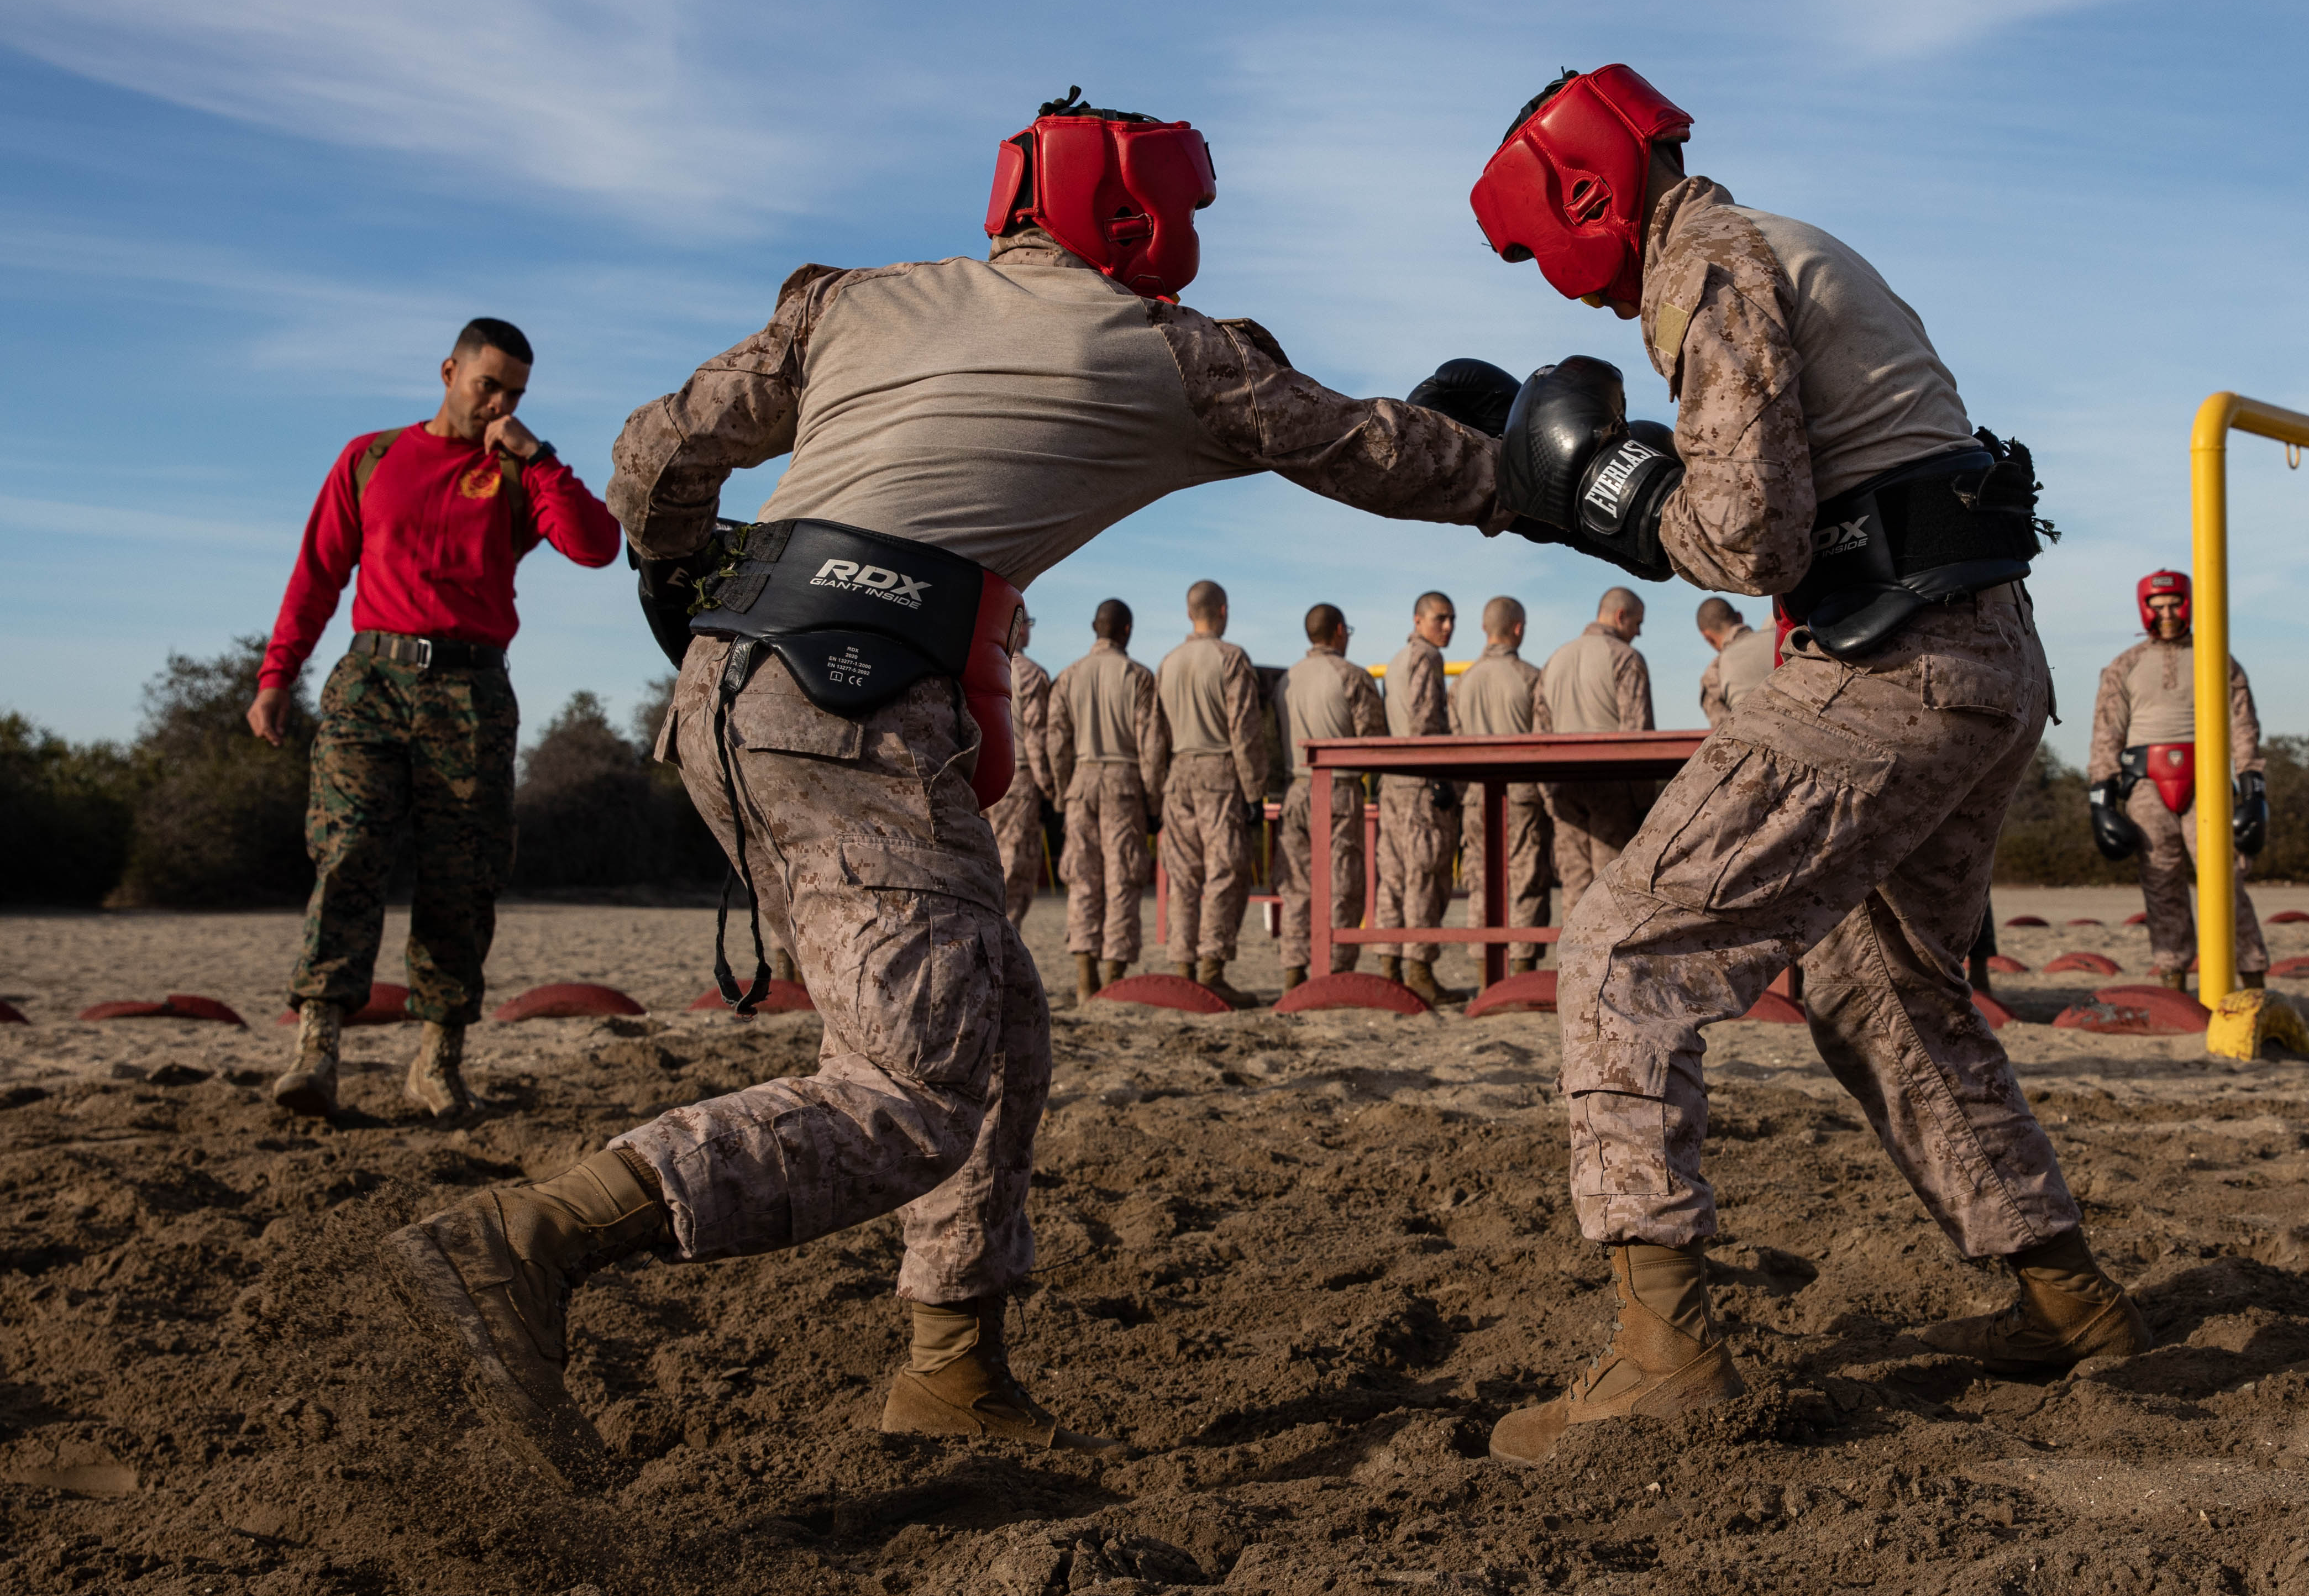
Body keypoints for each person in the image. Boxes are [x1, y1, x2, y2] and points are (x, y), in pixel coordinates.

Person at [380, 88, 1506, 1480]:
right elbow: (1376, 455)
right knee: (913, 1089)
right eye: (1187, 206)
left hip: (736, 696)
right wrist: (1536, 472)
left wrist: (685, 569)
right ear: (1136, 205)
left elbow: (652, 453)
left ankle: (952, 1371)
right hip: (857, 712)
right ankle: (532, 1240)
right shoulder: (1175, 350)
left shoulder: (853, 302)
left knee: (1002, 1020)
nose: (1195, 232)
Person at [1418, 62, 2140, 1464]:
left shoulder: (1707, 260)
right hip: (1987, 658)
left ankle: (1664, 1350)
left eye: (1540, 240)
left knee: (1621, 953)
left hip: (1887, 665)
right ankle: (2068, 1299)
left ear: (1579, 192)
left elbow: (1747, 539)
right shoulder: (1791, 243)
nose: (1550, 277)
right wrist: (1599, 487)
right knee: (1885, 986)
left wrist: (1603, 503)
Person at [250, 318, 619, 1124]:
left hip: (472, 694)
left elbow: (596, 547)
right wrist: (277, 676)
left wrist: (538, 457)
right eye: (487, 384)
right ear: (449, 369)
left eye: (515, 391)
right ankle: (316, 1050)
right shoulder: (372, 457)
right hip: (370, 682)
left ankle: (435, 1065)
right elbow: (317, 573)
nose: (498, 402)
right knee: (346, 853)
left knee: (463, 878)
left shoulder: (519, 473)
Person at [2090, 569, 2270, 992]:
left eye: (2174, 604)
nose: (2167, 613)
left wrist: (2254, 790)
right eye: (2159, 605)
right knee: (2161, 881)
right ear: (2145, 608)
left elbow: (2244, 728)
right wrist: (2101, 799)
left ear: (2187, 603)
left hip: (2206, 780)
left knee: (2224, 877)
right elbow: (2106, 732)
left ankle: (2254, 978)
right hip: (2146, 784)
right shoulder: (2124, 666)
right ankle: (2173, 980)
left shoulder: (2219, 659)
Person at [1155, 580, 1270, 1007]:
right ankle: (1212, 968)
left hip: (1178, 770)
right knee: (1225, 871)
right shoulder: (1231, 658)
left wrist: (1157, 787)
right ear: (1223, 610)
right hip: (1220, 770)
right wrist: (1255, 789)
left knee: (1183, 874)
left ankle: (1183, 967)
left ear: (1190, 613)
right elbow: (1244, 728)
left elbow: (1156, 733)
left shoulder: (1168, 662)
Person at [1049, 600, 1168, 1000]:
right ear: (1127, 629)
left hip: (1082, 781)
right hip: (1124, 782)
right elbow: (1151, 746)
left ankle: (1086, 978)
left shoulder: (1068, 677)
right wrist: (1154, 804)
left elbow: (1057, 742)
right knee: (1122, 879)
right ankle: (1115, 978)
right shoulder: (1139, 677)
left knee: (1082, 878)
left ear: (1093, 628)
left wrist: (1063, 793)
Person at [1275, 603, 1388, 991]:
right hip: (1338, 789)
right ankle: (1336, 973)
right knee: (1343, 883)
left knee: (1297, 886)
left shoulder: (1286, 679)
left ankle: (1294, 970)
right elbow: (1373, 739)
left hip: (1295, 789)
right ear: (1340, 630)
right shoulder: (1351, 676)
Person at [1450, 595, 1553, 975]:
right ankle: (1523, 971)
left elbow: (1456, 741)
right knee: (1526, 879)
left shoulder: (1461, 682)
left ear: (1483, 628)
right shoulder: (1531, 677)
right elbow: (1545, 739)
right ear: (1519, 628)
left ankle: (1485, 975)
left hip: (1477, 795)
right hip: (1522, 792)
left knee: (1482, 881)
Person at [1540, 586, 1657, 910]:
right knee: (1613, 889)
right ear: (1621, 616)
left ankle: (1569, 959)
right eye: (1637, 623)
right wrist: (1644, 803)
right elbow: (1637, 733)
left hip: (1563, 785)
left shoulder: (1555, 659)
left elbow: (1540, 732)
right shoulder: (1626, 658)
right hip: (1612, 782)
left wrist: (1549, 795)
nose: (1639, 632)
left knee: (1574, 885)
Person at [1375, 592, 1466, 1005]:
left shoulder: (1395, 660)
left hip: (1393, 781)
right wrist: (1438, 774)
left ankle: (1389, 967)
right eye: (1440, 618)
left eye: (1451, 619)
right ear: (1418, 620)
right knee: (1425, 877)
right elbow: (1423, 719)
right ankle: (1419, 970)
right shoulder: (1427, 658)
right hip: (1418, 782)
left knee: (1393, 878)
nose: (1447, 627)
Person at [986, 602, 1056, 929]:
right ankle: (1004, 942)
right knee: (1015, 870)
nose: (1029, 629)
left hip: (979, 774)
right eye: (1027, 622)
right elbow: (1040, 738)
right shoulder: (1032, 675)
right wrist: (1051, 788)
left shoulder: (980, 666)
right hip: (1020, 777)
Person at [1694, 596, 1775, 729]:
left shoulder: (1714, 672)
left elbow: (1723, 731)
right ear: (1740, 617)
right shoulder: (1782, 640)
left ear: (1708, 638)